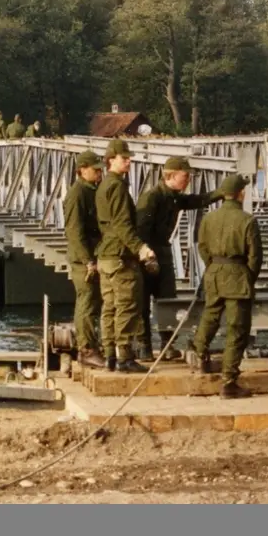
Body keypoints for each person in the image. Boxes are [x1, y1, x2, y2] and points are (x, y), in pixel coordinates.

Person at [134, 156, 220, 362]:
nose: (189, 179)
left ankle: (167, 344)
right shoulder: (152, 197)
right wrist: (145, 256)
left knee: (167, 299)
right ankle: (144, 346)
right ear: (171, 175)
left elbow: (196, 200)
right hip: (146, 254)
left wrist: (220, 193)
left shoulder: (173, 196)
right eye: (185, 175)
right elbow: (140, 230)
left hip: (162, 251)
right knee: (142, 302)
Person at [192, 174, 261, 399]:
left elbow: (202, 247)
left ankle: (201, 356)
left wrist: (213, 266)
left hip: (214, 273)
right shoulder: (247, 220)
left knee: (210, 316)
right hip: (237, 275)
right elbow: (255, 256)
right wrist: (248, 276)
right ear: (241, 193)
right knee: (237, 329)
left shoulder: (209, 219)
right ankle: (229, 382)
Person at [95, 139, 157, 373]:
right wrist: (140, 247)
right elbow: (122, 224)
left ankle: (110, 355)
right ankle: (126, 357)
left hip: (106, 256)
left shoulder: (103, 185)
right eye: (124, 158)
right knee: (127, 306)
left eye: (129, 158)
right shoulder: (118, 186)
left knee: (109, 307)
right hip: (121, 257)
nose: (129, 161)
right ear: (111, 159)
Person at [64, 150, 106, 369]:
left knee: (92, 302)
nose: (99, 172)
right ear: (82, 170)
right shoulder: (77, 194)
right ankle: (87, 349)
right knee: (87, 302)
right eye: (95, 168)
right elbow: (74, 231)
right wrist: (87, 260)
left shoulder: (91, 190)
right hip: (84, 260)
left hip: (92, 255)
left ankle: (90, 346)